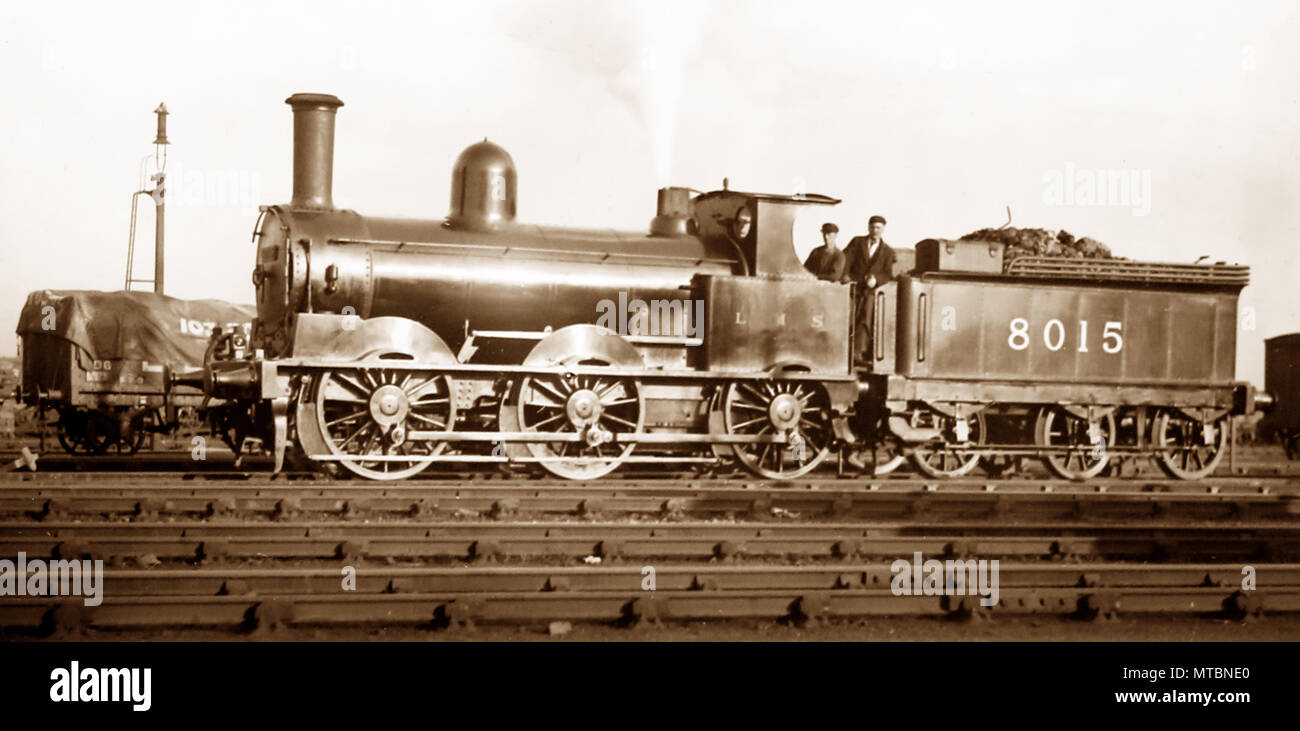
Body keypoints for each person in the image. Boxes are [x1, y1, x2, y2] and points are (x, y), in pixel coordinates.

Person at [842, 215, 896, 367]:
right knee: (848, 317)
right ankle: (843, 351)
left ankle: (858, 352)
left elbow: (887, 274)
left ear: (883, 229)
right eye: (873, 227)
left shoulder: (888, 252)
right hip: (852, 287)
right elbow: (846, 260)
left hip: (870, 292)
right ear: (868, 227)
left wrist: (876, 280)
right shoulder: (857, 242)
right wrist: (845, 276)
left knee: (865, 319)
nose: (875, 230)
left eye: (878, 227)